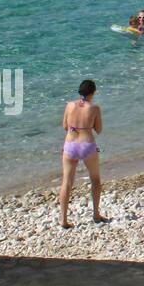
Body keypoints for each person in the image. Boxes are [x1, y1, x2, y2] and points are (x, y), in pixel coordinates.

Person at [59, 79, 107, 228]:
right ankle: (96, 214)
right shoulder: (94, 108)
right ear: (93, 93)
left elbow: (65, 126)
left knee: (66, 182)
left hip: (70, 145)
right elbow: (98, 130)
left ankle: (64, 220)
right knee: (95, 179)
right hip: (87, 145)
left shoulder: (69, 105)